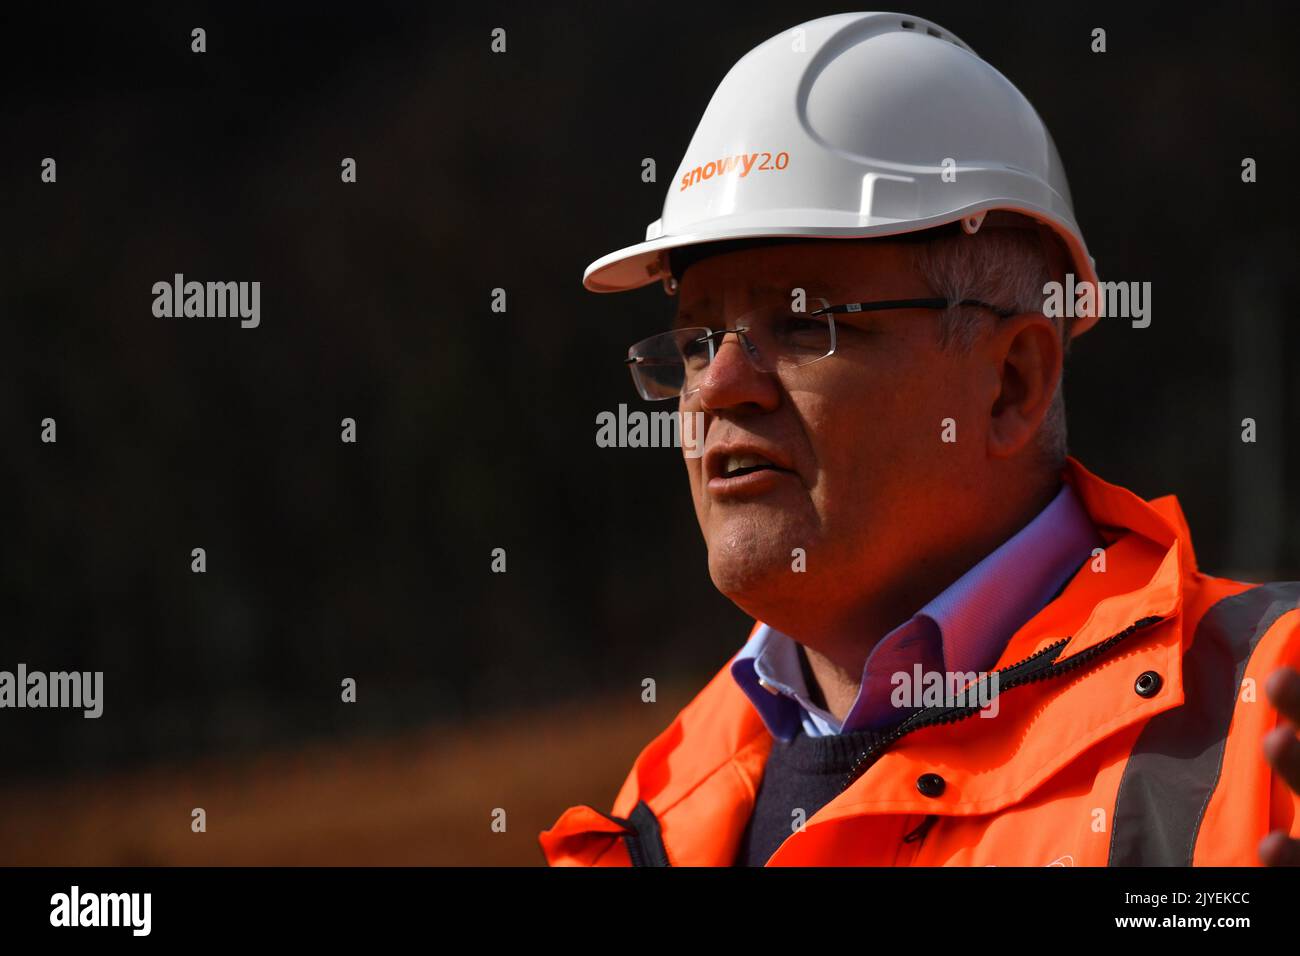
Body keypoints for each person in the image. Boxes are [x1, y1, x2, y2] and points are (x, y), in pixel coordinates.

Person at [539, 12, 1300, 866]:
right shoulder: (656, 817)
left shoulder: (1268, 710)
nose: (716, 386)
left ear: (1011, 382)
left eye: (804, 322)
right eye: (696, 340)